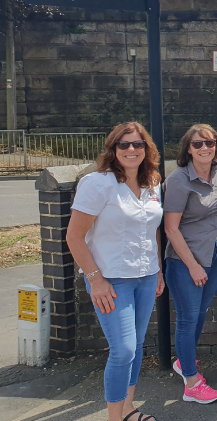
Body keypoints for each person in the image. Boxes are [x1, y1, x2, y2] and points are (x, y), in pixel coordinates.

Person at [66, 122, 165, 421]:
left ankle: (128, 410)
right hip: (111, 280)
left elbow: (153, 232)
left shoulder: (152, 182)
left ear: (147, 149)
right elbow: (74, 236)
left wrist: (158, 270)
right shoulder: (97, 183)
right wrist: (95, 280)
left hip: (146, 276)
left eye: (138, 144)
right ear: (113, 149)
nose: (132, 150)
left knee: (134, 348)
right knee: (122, 350)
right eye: (124, 145)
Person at [163, 124, 217, 403]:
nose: (205, 148)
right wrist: (193, 266)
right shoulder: (179, 180)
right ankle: (191, 384)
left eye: (210, 142)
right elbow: (171, 228)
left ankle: (185, 362)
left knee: (202, 312)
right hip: (186, 260)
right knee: (187, 317)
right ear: (188, 149)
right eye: (198, 144)